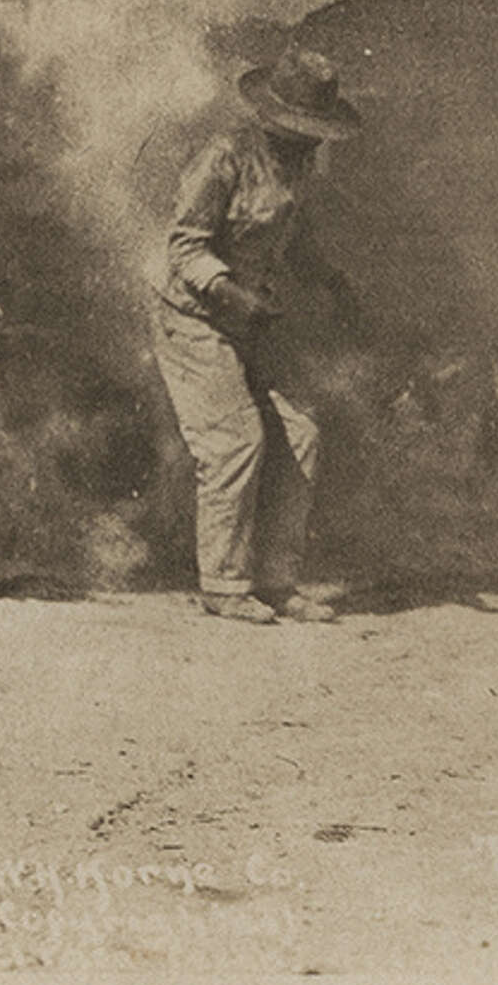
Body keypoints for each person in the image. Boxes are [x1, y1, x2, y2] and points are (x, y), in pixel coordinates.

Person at [152, 47, 363, 625]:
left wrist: (330, 282)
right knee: (235, 440)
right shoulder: (224, 158)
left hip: (251, 318)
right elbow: (185, 247)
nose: (310, 141)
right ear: (272, 118)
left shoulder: (299, 165)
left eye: (316, 130)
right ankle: (223, 585)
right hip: (192, 316)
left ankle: (276, 581)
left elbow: (292, 237)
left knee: (301, 432)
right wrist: (232, 294)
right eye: (301, 128)